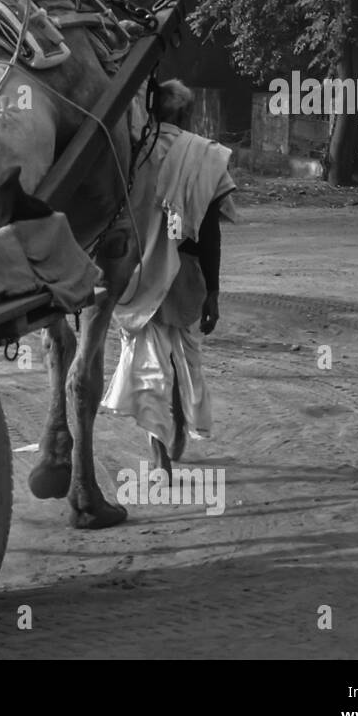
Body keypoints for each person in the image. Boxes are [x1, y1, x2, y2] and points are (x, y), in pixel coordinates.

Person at [100, 80, 238, 474]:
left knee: (149, 364)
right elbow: (210, 231)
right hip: (186, 273)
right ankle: (175, 428)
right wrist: (212, 292)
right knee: (180, 358)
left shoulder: (133, 152)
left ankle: (160, 449)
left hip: (138, 272)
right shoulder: (203, 155)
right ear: (184, 113)